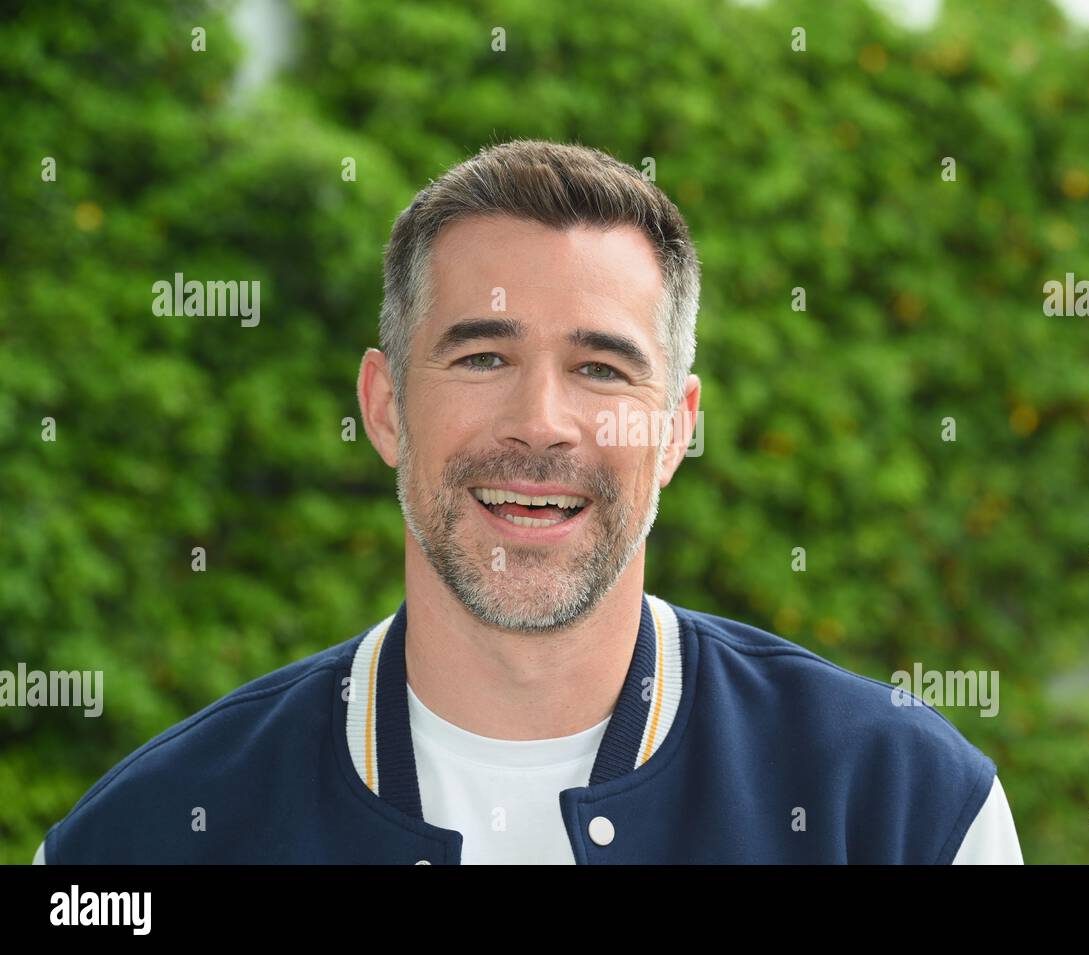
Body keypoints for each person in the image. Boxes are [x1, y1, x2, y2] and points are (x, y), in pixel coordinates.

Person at [36, 139, 1022, 864]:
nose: (541, 421)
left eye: (600, 367)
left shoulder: (903, 812)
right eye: (481, 356)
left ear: (675, 429)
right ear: (384, 408)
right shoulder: (145, 840)